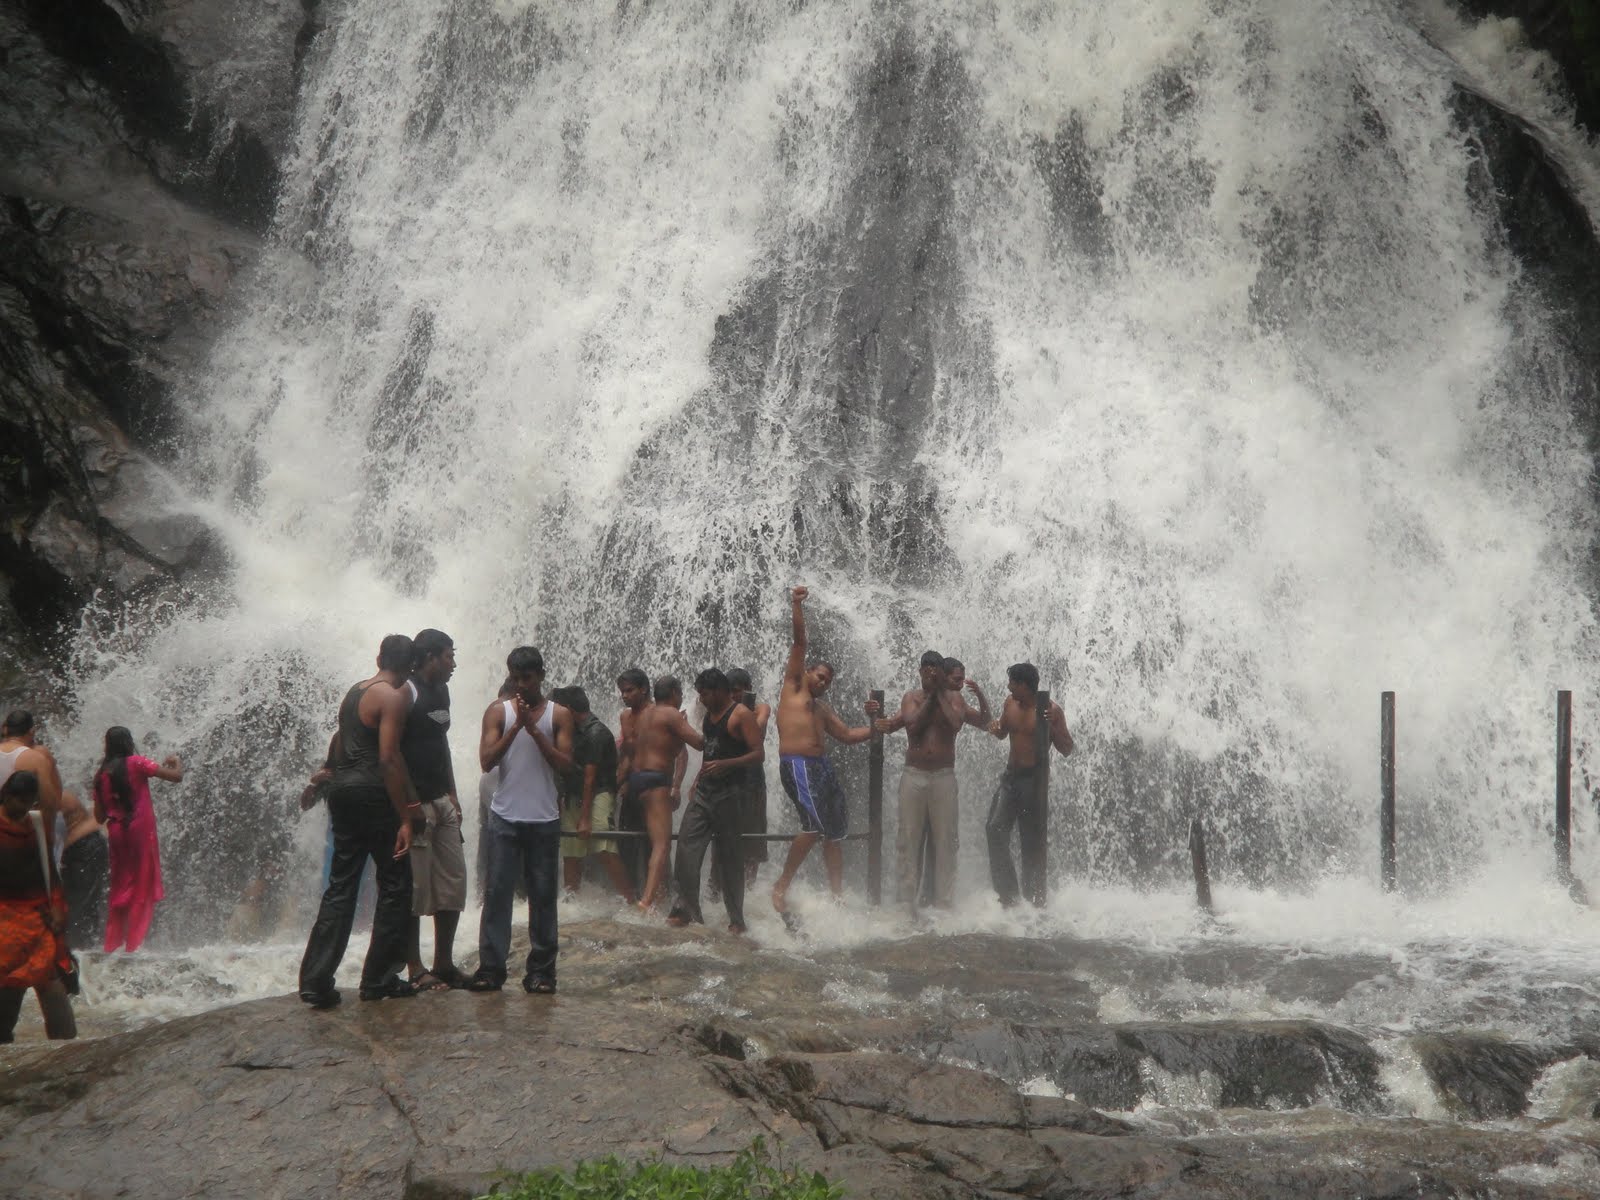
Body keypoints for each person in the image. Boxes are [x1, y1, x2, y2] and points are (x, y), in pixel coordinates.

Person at [298, 634, 419, 1008]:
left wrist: (320, 784)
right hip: (373, 793)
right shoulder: (393, 696)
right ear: (410, 666)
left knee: (341, 885)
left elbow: (341, 742)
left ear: (379, 658)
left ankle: (315, 980)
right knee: (396, 882)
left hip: (343, 792)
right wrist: (406, 816)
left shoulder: (355, 692)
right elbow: (388, 758)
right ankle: (379, 978)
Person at [769, 587, 879, 921]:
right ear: (807, 673)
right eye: (820, 677)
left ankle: (836, 894)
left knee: (834, 831)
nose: (823, 683)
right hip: (798, 765)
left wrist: (879, 726)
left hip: (822, 768)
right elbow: (799, 643)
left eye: (828, 681)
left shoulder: (823, 709)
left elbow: (847, 736)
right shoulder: (794, 687)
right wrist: (796, 605)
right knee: (814, 826)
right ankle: (780, 886)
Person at [469, 646, 574, 994]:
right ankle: (491, 969)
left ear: (541, 675)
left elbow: (565, 765)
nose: (521, 685)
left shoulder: (559, 714)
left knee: (543, 896)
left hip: (543, 817)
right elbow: (486, 761)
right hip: (505, 816)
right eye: (515, 678)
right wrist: (516, 728)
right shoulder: (498, 712)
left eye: (527, 678)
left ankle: (542, 972)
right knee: (497, 894)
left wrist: (535, 731)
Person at [875, 653, 992, 914]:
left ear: (940, 673)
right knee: (907, 838)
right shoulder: (911, 698)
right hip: (914, 775)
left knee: (947, 841)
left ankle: (944, 903)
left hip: (943, 777)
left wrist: (940, 692)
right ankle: (905, 902)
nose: (929, 676)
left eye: (934, 672)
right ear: (919, 672)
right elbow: (913, 726)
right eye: (926, 672)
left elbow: (955, 723)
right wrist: (931, 696)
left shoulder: (954, 699)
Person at [668, 669, 764, 932]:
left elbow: (758, 754)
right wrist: (696, 779)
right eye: (699, 694)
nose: (701, 699)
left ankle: (736, 920)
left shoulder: (741, 714)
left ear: (720, 691)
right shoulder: (710, 714)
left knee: (730, 858)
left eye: (705, 694)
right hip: (704, 793)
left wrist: (727, 764)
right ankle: (686, 910)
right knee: (686, 846)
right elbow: (709, 748)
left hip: (731, 795)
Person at [401, 629, 466, 991]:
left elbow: (441, 743)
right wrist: (409, 805)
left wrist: (453, 792)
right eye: (449, 656)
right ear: (430, 657)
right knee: (415, 887)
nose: (453, 663)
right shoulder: (406, 692)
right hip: (417, 804)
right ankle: (415, 967)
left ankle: (444, 963)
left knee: (453, 881)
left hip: (442, 800)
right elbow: (392, 752)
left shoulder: (442, 691)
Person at [986, 662, 1075, 907]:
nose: (1008, 687)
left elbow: (1067, 749)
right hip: (1010, 778)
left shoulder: (1051, 710)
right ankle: (1008, 895)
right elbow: (1003, 732)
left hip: (1033, 782)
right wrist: (995, 728)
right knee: (994, 829)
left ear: (1024, 686)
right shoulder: (1010, 703)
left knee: (1031, 842)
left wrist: (1052, 726)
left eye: (1012, 683)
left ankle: (1032, 899)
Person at [0, 771, 75, 1043]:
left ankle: (67, 1050)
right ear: (6, 796)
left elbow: (47, 867)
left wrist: (56, 905)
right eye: (20, 801)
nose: (24, 807)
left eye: (30, 802)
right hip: (5, 924)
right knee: (9, 984)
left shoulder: (35, 824)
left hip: (37, 919)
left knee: (51, 982)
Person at [94, 727, 183, 952]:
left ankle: (112, 944)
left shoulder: (101, 774)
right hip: (140, 831)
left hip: (116, 833)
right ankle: (134, 944)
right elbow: (176, 777)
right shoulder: (137, 763)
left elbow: (99, 817)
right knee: (142, 886)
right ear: (128, 743)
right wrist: (176, 762)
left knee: (120, 887)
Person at [626, 677, 703, 913]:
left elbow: (665, 746)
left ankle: (657, 897)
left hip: (637, 779)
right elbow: (699, 742)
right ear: (674, 693)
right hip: (655, 780)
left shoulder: (644, 714)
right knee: (662, 845)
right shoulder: (671, 714)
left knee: (653, 842)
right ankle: (646, 902)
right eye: (680, 694)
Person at [553, 686, 635, 905]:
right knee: (571, 850)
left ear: (569, 709)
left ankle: (631, 901)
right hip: (574, 795)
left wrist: (585, 817)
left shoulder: (596, 732)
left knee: (604, 847)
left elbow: (590, 779)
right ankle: (571, 900)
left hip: (598, 794)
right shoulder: (571, 731)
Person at [707, 667, 770, 899]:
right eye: (729, 691)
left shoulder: (760, 708)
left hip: (753, 783)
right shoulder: (721, 711)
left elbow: (758, 730)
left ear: (748, 689)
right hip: (727, 783)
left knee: (753, 841)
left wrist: (744, 716)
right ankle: (715, 892)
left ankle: (748, 893)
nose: (733, 696)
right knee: (721, 840)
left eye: (737, 691)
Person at [612, 667, 653, 894]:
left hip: (654, 787)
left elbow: (677, 753)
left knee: (652, 844)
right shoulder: (625, 716)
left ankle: (657, 896)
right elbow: (627, 754)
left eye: (629, 690)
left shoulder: (657, 713)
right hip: (632, 785)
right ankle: (631, 897)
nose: (624, 696)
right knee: (626, 842)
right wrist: (619, 782)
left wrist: (675, 787)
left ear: (643, 689)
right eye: (622, 692)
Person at [56, 789, 108, 950]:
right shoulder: (53, 792)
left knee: (79, 906)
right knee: (86, 906)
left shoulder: (46, 794)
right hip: (88, 845)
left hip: (85, 847)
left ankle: (79, 951)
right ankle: (86, 951)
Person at [0, 710, 63, 822]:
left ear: (6, 729)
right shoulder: (36, 758)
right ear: (32, 731)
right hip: (20, 822)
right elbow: (51, 804)